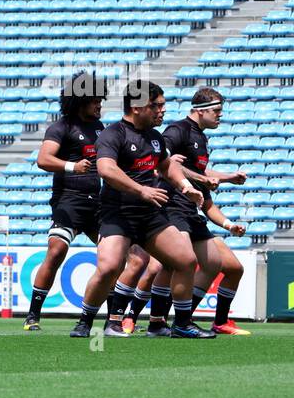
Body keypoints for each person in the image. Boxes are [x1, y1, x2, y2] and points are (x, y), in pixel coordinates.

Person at [69, 80, 211, 339]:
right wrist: (142, 189)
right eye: (156, 106)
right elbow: (106, 170)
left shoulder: (154, 137)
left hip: (150, 215)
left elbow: (167, 166)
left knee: (186, 260)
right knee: (109, 267)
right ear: (136, 107)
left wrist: (184, 185)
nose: (162, 111)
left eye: (163, 105)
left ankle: (180, 324)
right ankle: (85, 322)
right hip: (118, 213)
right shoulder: (114, 134)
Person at [153, 86, 251, 336]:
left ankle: (180, 320)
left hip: (190, 209)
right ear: (200, 111)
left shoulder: (200, 137)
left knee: (213, 262)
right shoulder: (178, 130)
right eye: (217, 111)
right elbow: (162, 164)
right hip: (172, 204)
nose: (220, 115)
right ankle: (156, 321)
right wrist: (199, 179)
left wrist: (226, 179)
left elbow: (201, 175)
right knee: (175, 263)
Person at [24, 71, 106, 331]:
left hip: (98, 202)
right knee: (57, 251)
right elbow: (43, 159)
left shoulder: (99, 127)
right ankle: (32, 315)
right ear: (80, 101)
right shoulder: (60, 127)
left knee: (113, 258)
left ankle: (115, 318)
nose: (99, 104)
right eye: (95, 100)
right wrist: (72, 166)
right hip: (68, 199)